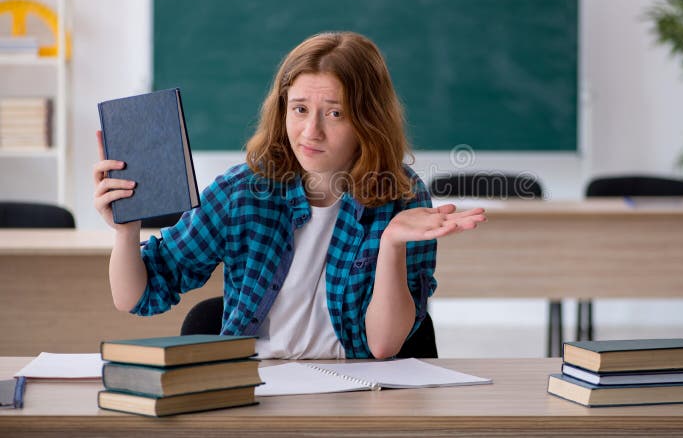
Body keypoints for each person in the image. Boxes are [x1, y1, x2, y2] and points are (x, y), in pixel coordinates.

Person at [93, 31, 486, 359]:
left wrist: (392, 243)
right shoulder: (243, 191)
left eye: (335, 114)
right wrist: (126, 231)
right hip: (255, 387)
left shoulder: (401, 194)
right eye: (299, 109)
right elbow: (136, 296)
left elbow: (382, 347)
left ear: (368, 121)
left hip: (355, 394)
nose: (310, 131)